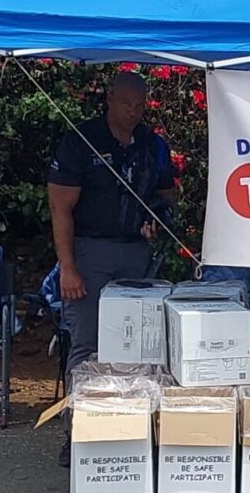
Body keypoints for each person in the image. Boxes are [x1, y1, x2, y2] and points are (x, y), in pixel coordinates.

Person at [48, 71, 178, 465]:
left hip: (137, 253)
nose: (132, 112)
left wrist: (157, 216)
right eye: (126, 104)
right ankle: (78, 431)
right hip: (90, 252)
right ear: (109, 99)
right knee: (87, 344)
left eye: (139, 106)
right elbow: (60, 207)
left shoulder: (152, 144)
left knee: (137, 346)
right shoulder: (81, 140)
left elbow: (167, 195)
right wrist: (67, 267)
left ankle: (130, 430)